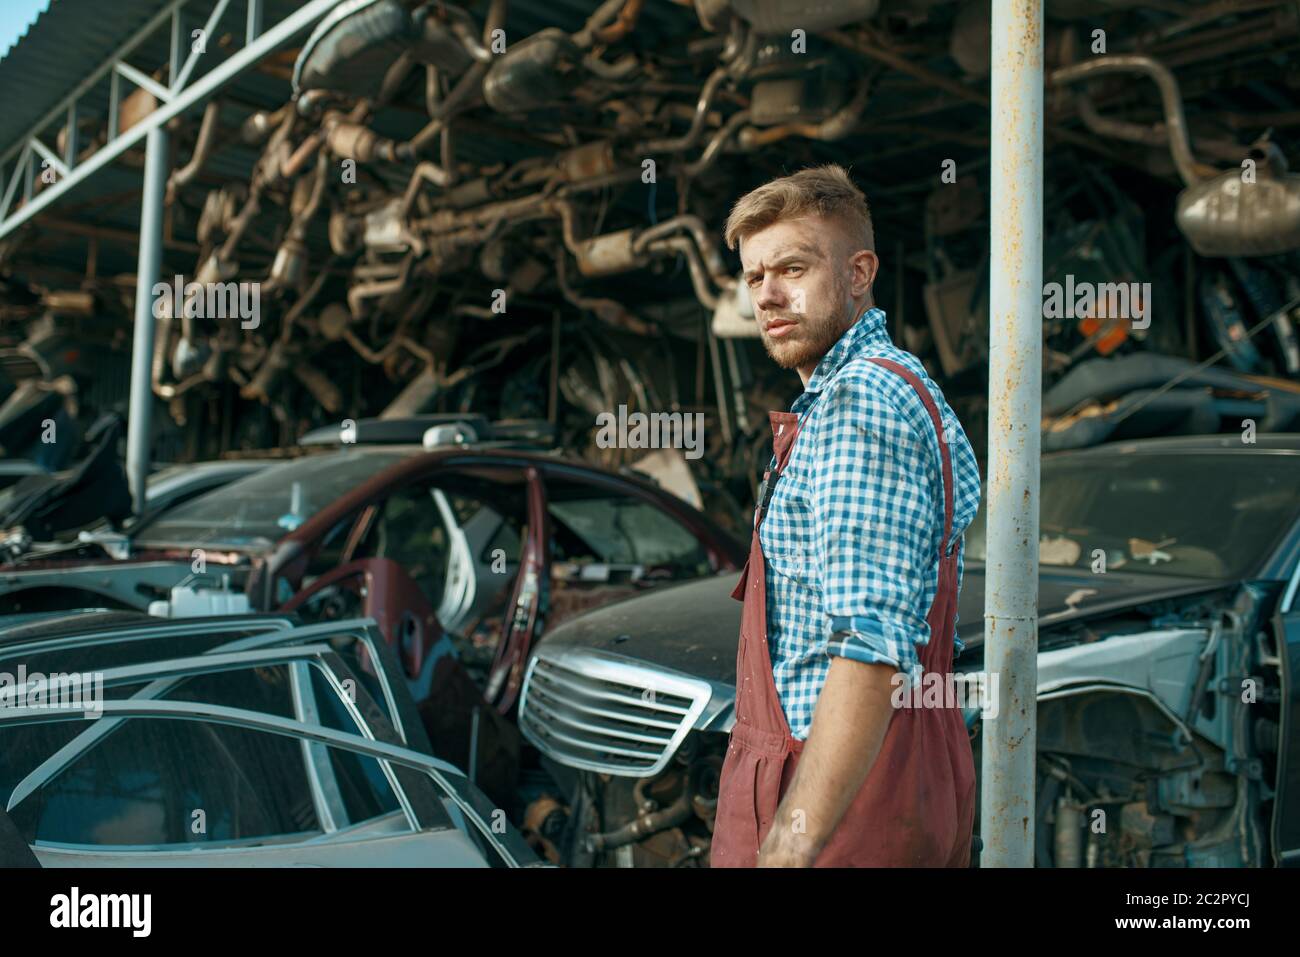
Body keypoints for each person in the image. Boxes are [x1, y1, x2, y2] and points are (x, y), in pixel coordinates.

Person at [710, 164, 982, 868]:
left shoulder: (857, 405)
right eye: (753, 276)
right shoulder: (900, 386)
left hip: (842, 810)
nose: (767, 294)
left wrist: (790, 842)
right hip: (897, 783)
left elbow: (871, 648)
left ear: (859, 272)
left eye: (793, 267)